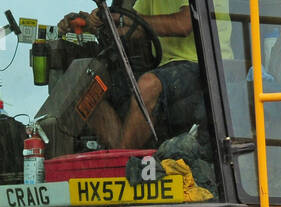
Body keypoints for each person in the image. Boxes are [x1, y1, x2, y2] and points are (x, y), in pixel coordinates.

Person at [86, 1, 204, 150]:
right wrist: (97, 25)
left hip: (205, 67)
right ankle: (120, 157)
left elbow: (183, 24)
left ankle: (123, 163)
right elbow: (137, 27)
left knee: (148, 85)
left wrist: (124, 19)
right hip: (165, 68)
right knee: (91, 91)